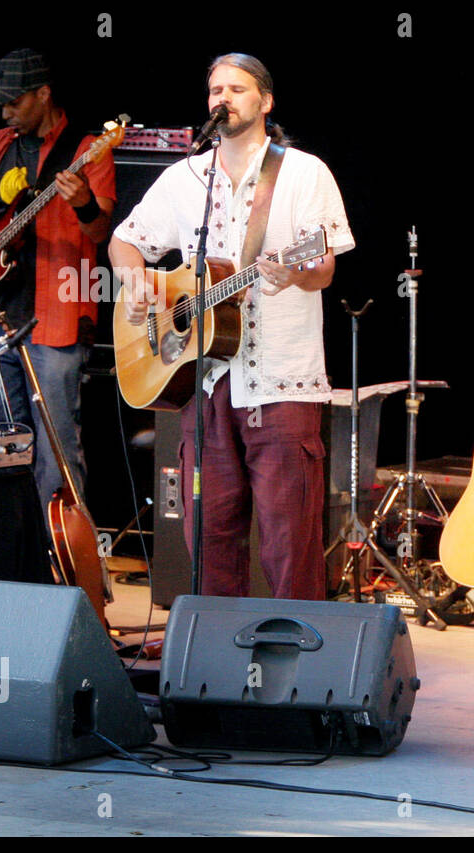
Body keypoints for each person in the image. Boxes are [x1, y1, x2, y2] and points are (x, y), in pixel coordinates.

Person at [109, 53, 354, 600]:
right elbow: (125, 241)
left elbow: (323, 269)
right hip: (204, 383)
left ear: (265, 101)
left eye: (237, 89)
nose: (224, 98)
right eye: (215, 89)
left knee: (289, 538)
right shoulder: (185, 176)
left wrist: (296, 272)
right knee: (209, 532)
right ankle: (217, 659)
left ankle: (301, 654)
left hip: (280, 381)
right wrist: (135, 282)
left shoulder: (304, 172)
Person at [0, 49, 115, 513]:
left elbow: (99, 230)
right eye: (2, 105)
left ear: (43, 95)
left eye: (14, 103)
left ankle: (63, 566)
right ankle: (2, 554)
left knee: (57, 451)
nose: (6, 113)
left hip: (59, 312)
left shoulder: (88, 151)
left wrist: (83, 200)